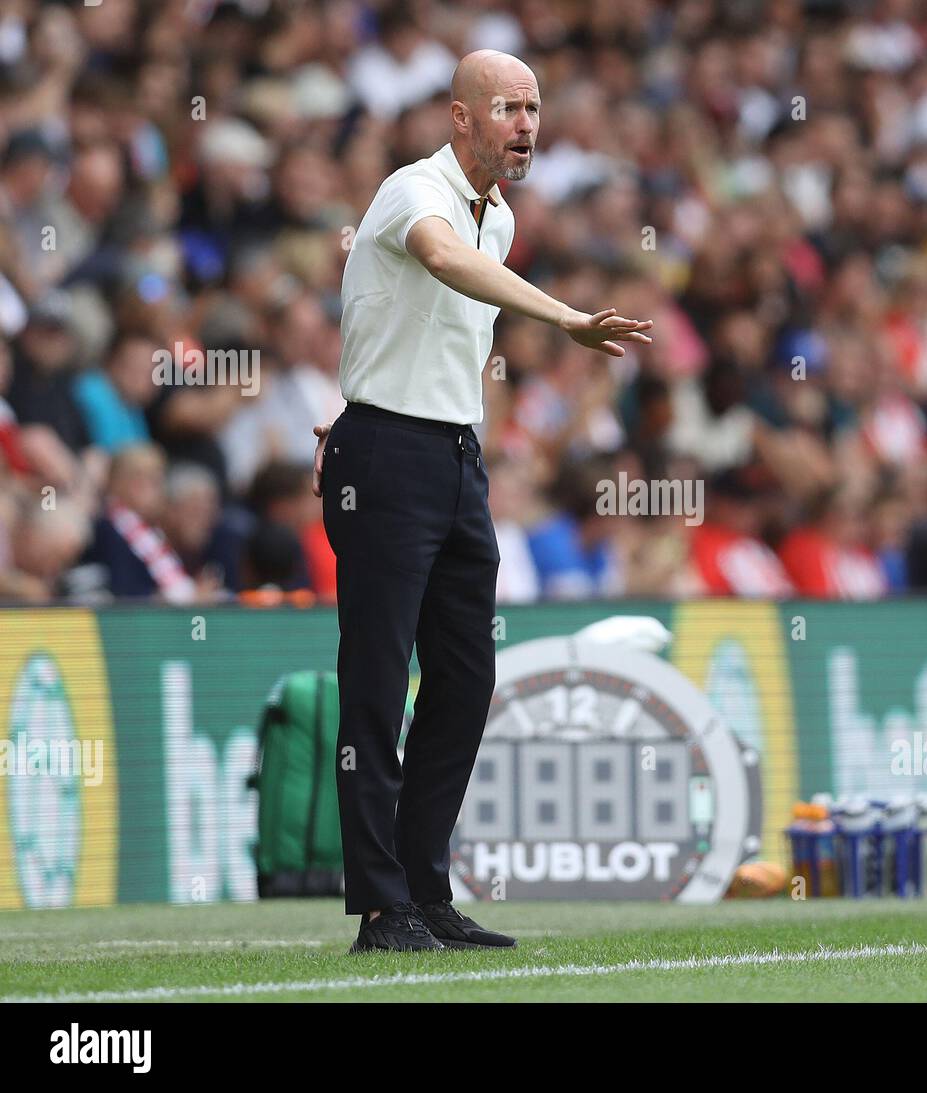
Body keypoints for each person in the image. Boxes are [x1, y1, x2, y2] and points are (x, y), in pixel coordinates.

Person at [311, 50, 652, 953]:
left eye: (535, 108)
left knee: (465, 680)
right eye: (508, 108)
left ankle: (426, 892)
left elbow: (437, 336)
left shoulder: (496, 216)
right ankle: (380, 907)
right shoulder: (410, 191)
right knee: (379, 685)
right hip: (387, 453)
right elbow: (442, 263)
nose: (528, 126)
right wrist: (568, 318)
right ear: (460, 117)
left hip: (453, 458)